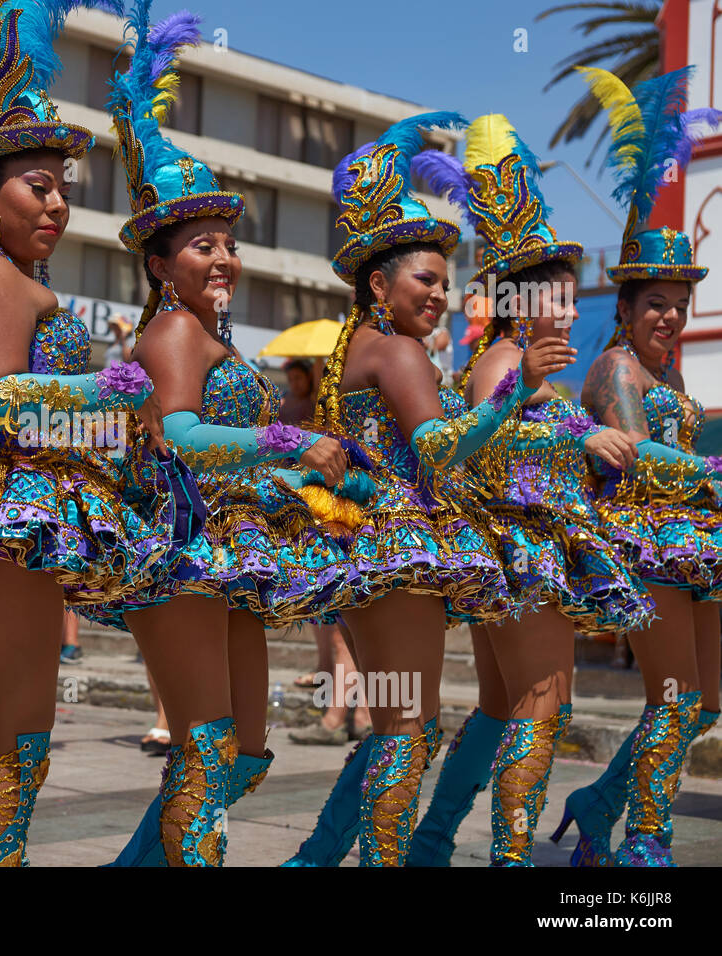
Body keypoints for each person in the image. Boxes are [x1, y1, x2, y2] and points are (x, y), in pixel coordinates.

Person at [0, 0, 200, 868]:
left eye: (63, 188)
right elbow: (0, 400)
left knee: (6, 739)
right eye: (38, 186)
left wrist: (110, 413)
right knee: (12, 746)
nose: (57, 204)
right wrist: (106, 388)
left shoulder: (1, 276)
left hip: (5, 519)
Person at [84, 3, 362, 867]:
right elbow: (178, 436)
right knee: (209, 752)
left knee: (238, 755)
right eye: (202, 245)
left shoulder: (214, 338)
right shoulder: (169, 334)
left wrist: (314, 487)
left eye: (228, 244)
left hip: (228, 550)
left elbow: (227, 451)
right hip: (179, 553)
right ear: (161, 263)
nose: (223, 260)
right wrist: (287, 447)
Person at [284, 111, 574, 867]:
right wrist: (517, 394)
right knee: (408, 733)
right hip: (399, 556)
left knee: (397, 729)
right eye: (427, 279)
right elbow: (441, 447)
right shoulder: (402, 354)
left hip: (367, 553)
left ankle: (318, 858)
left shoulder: (364, 346)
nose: (442, 295)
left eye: (446, 283)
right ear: (379, 281)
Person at [405, 114, 651, 866]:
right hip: (524, 563)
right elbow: (479, 442)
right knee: (544, 709)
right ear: (523, 303)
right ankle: (508, 857)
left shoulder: (521, 365)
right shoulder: (504, 362)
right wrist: (583, 434)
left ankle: (434, 840)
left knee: (495, 708)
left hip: (513, 561)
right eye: (565, 299)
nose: (575, 312)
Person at [557, 67, 722, 867]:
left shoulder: (672, 374)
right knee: (672, 697)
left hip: (699, 540)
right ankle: (644, 841)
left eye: (679, 304)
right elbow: (641, 461)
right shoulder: (618, 369)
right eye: (655, 302)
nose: (670, 316)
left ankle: (596, 799)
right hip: (650, 542)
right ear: (623, 307)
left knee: (706, 701)